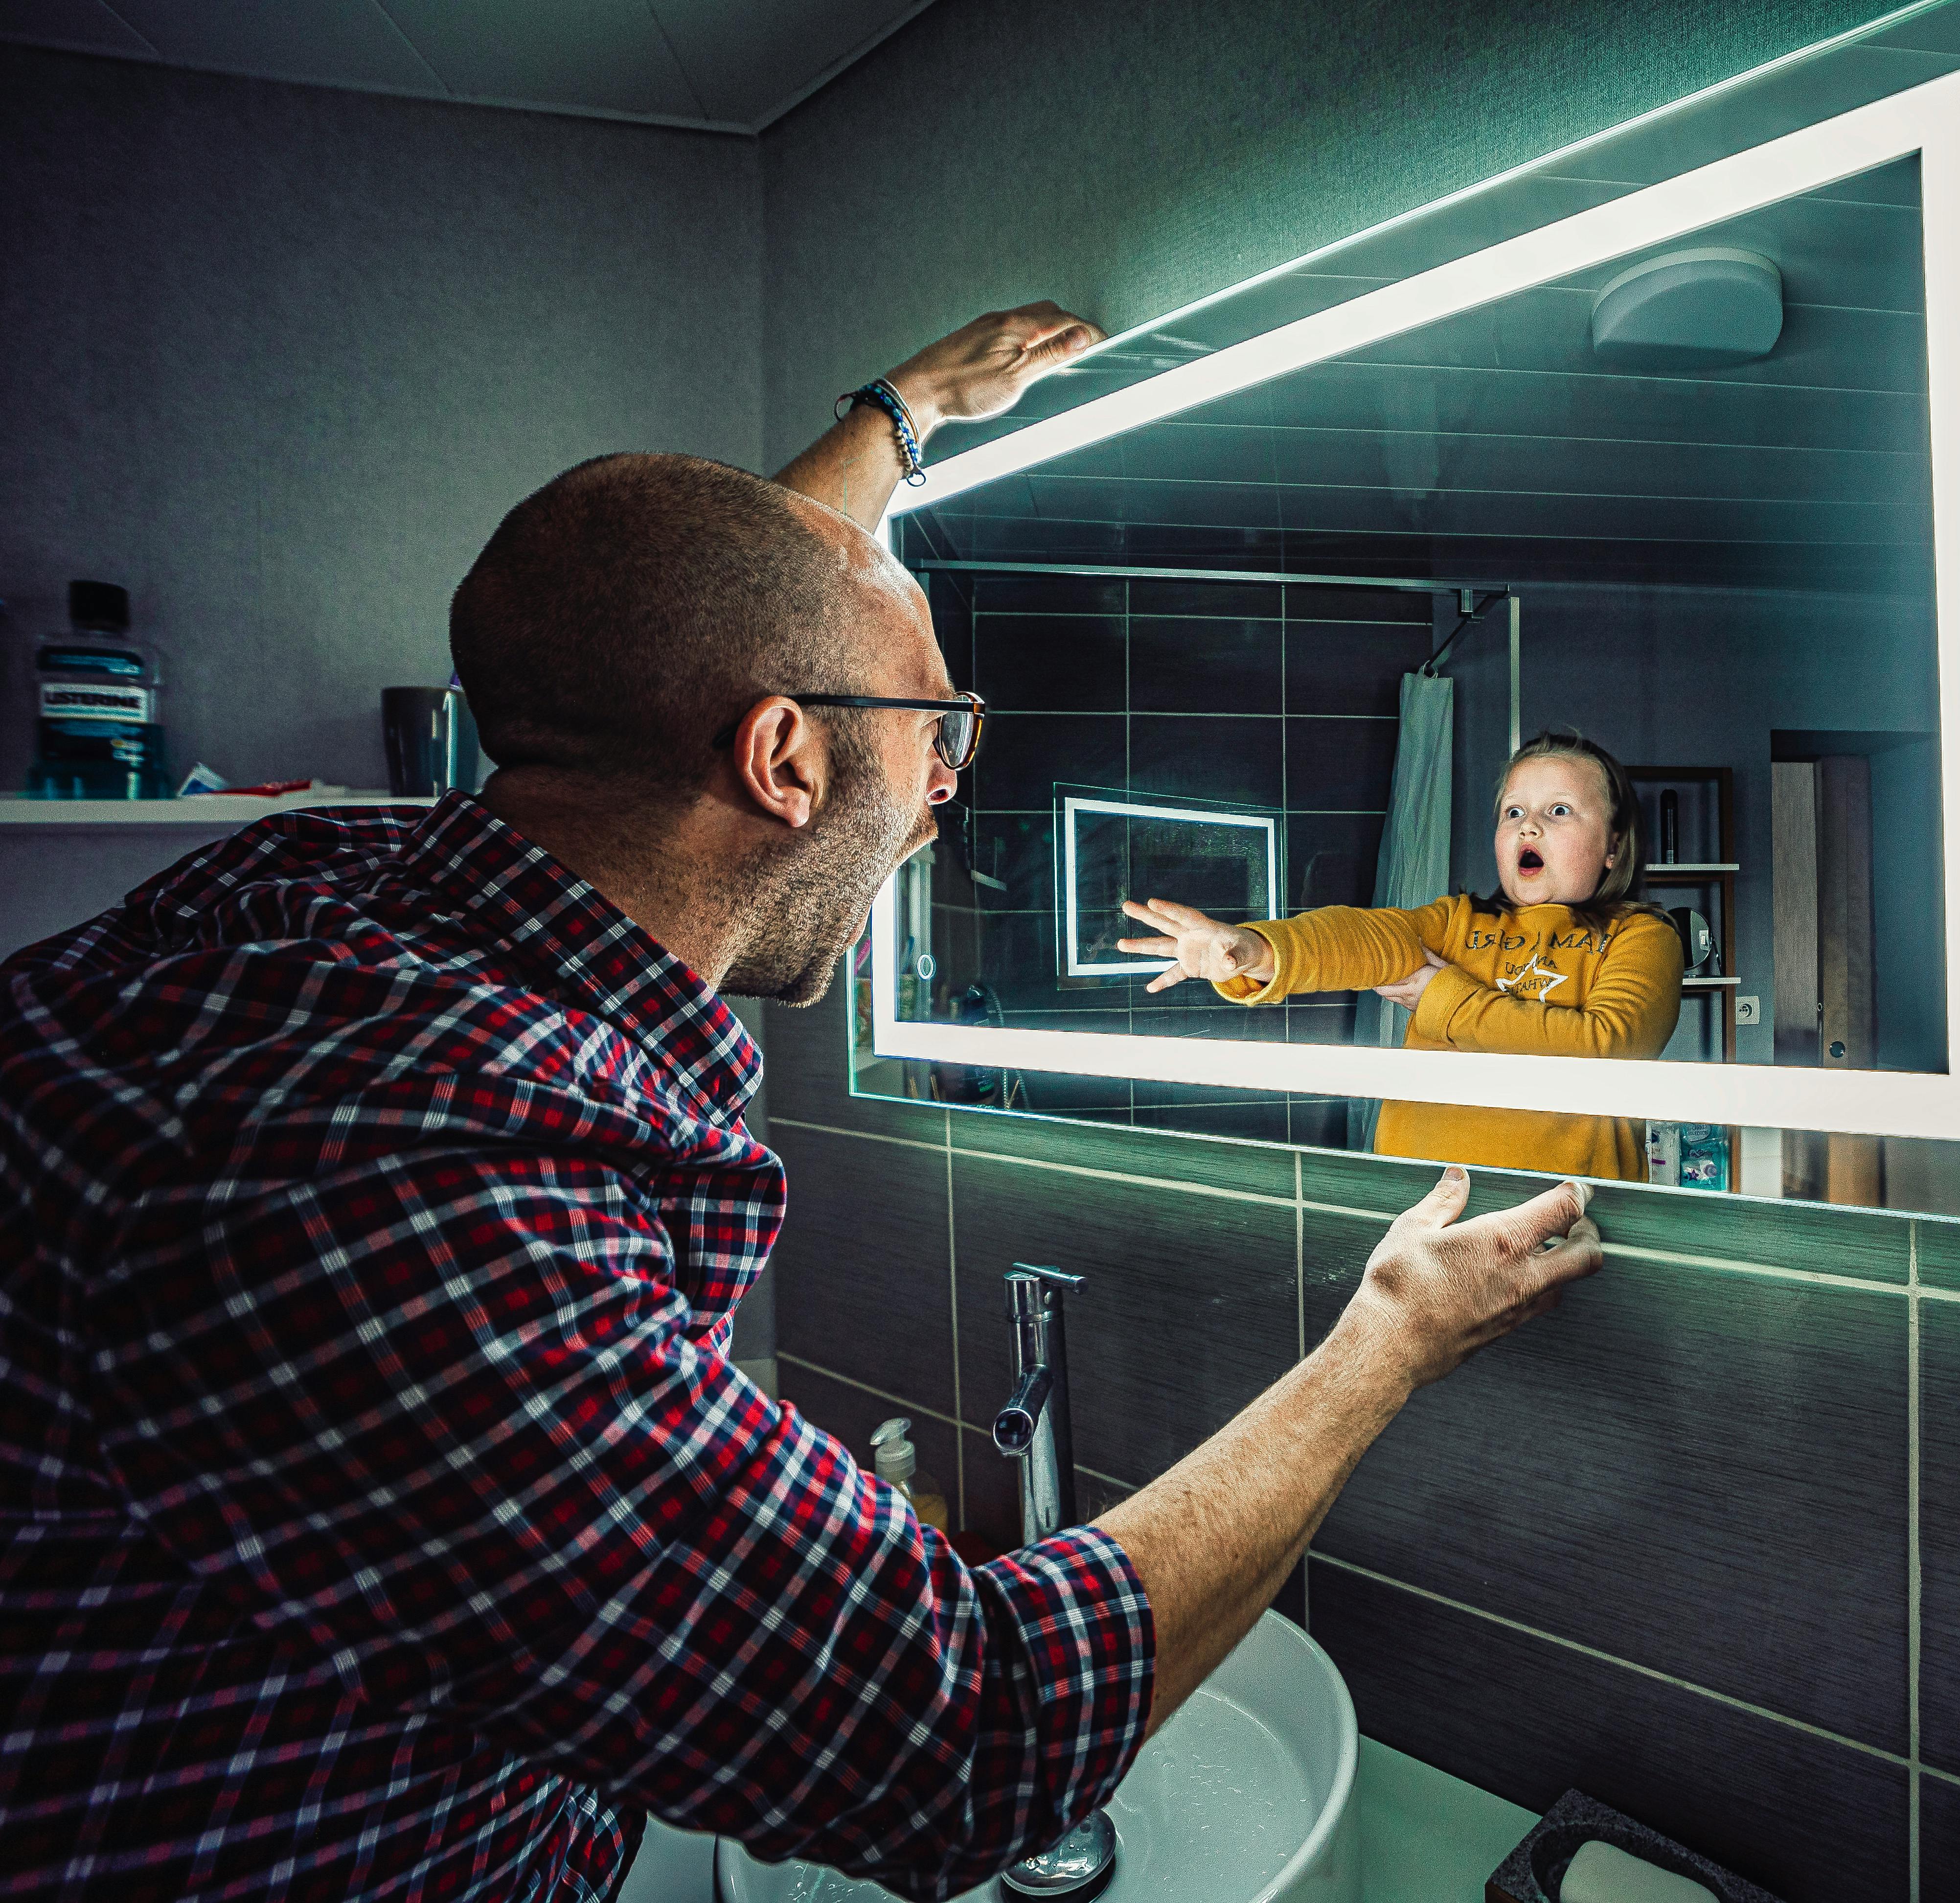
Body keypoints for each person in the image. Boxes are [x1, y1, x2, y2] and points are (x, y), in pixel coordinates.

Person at [0, 303, 1602, 1903]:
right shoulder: (418, 1193)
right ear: (781, 762)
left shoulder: (313, 900)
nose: (951, 778)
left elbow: (674, 637)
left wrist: (894, 420)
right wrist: (1385, 1333)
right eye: (940, 724)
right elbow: (969, 1735)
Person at [1119, 733, 1686, 1180]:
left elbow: (1603, 1048)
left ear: (1613, 846)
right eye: (1513, 812)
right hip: (1425, 1200)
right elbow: (1363, 937)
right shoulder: (1456, 921)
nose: (1529, 824)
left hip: (1561, 1211)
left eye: (1559, 811)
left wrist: (1443, 998)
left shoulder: (1642, 936)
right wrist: (1256, 948)